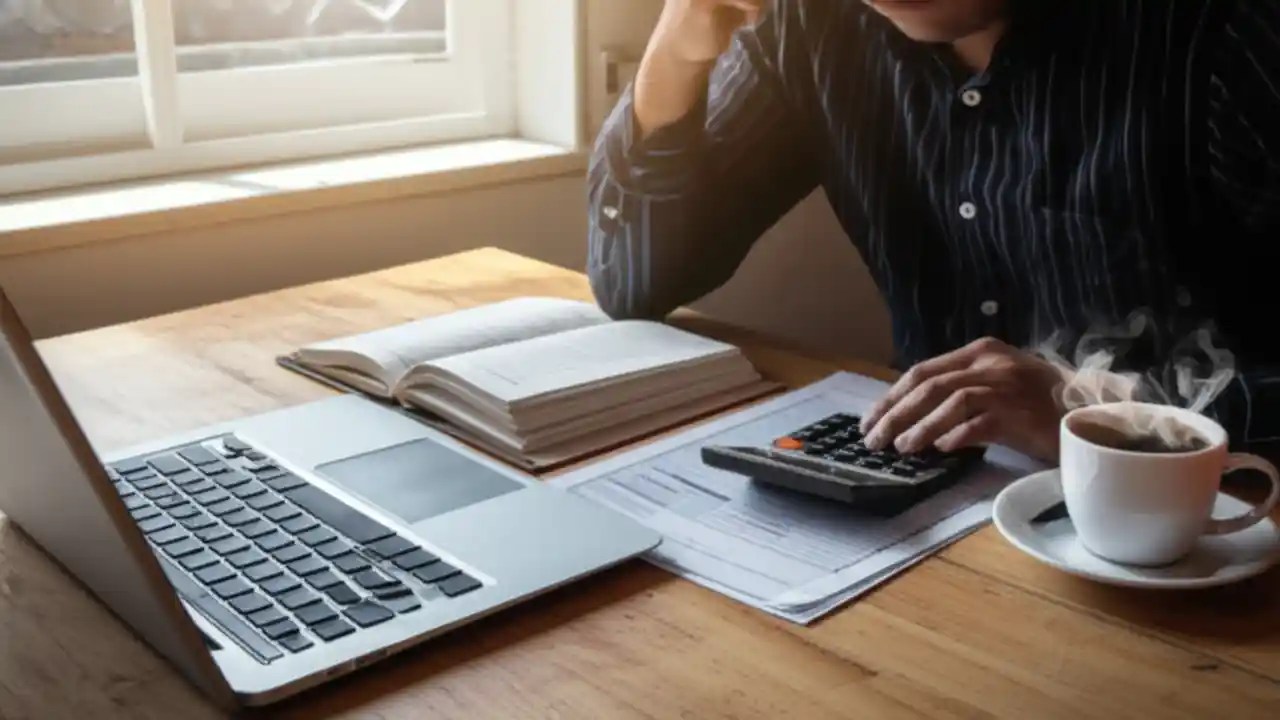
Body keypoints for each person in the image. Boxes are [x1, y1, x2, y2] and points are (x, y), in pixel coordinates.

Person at [585, 0, 1280, 463]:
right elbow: (633, 281)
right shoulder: (811, 26)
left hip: (1216, 535)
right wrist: (675, 52)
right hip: (928, 512)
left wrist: (1101, 407)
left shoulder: (1223, 32)